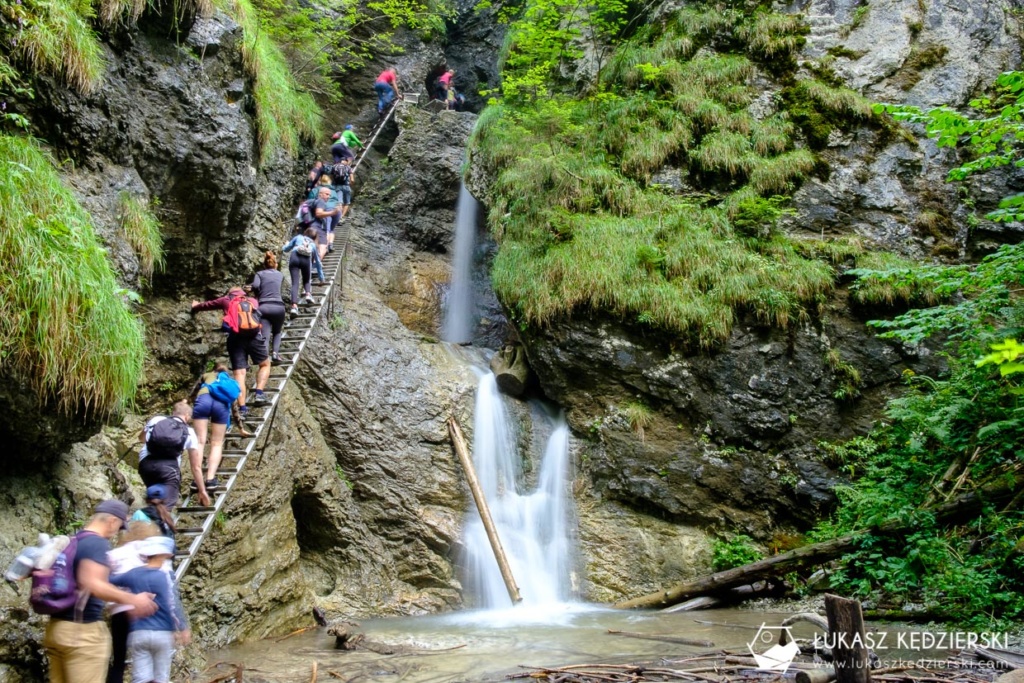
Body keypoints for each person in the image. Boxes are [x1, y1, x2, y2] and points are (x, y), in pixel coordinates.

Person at [42, 500, 157, 683]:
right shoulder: (97, 543)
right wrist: (133, 599)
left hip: (57, 628)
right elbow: (92, 583)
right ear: (112, 521)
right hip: (82, 633)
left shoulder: (73, 541)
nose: (117, 532)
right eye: (119, 526)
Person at [110, 536, 191, 683]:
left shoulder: (134, 573)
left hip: (139, 633)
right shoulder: (165, 575)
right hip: (162, 634)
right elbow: (173, 604)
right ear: (165, 555)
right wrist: (183, 628)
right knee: (161, 678)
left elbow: (111, 580)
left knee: (140, 679)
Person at [191, 287, 272, 412]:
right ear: (243, 293)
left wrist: (196, 306)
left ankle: (242, 408)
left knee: (240, 374)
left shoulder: (226, 300)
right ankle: (259, 393)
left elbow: (208, 305)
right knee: (265, 364)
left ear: (230, 293)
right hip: (254, 337)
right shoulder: (252, 301)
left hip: (235, 339)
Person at [106, 521, 160, 683]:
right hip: (141, 609)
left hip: (119, 610)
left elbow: (105, 578)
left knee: (119, 658)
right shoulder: (147, 551)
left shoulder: (115, 553)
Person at [138, 401, 209, 508]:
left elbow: (141, 439)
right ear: (187, 416)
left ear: (173, 412)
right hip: (169, 470)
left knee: (154, 497)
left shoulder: (156, 419)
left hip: (146, 465)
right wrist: (202, 490)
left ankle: (148, 515)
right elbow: (196, 467)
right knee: (166, 506)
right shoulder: (189, 432)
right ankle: (158, 517)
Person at [188, 362, 237, 491]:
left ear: (214, 370)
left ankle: (196, 480)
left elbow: (194, 391)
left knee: (200, 441)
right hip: (221, 406)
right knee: (217, 443)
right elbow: (234, 406)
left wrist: (186, 402)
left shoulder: (207, 375)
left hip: (203, 400)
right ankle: (210, 480)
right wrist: (241, 427)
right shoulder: (229, 383)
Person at [250, 252, 287, 365]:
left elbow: (255, 286)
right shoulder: (280, 275)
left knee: (265, 334)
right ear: (275, 264)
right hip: (278, 307)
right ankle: (275, 353)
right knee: (277, 332)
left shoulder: (259, 274)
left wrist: (255, 292)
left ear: (264, 265)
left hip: (264, 307)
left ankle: (265, 358)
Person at [283, 228, 321, 319]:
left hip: (294, 258)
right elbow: (318, 262)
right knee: (306, 280)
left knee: (295, 284)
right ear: (314, 237)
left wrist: (285, 245)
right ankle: (308, 294)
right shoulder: (313, 245)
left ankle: (294, 307)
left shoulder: (298, 237)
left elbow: (286, 249)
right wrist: (321, 277)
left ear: (305, 233)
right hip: (306, 261)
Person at [312, 185, 340, 261]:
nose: (329, 197)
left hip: (328, 210)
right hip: (336, 210)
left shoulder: (315, 190)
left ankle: (326, 247)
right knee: (331, 229)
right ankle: (329, 244)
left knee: (326, 230)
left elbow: (312, 201)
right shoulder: (334, 190)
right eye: (327, 194)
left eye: (329, 195)